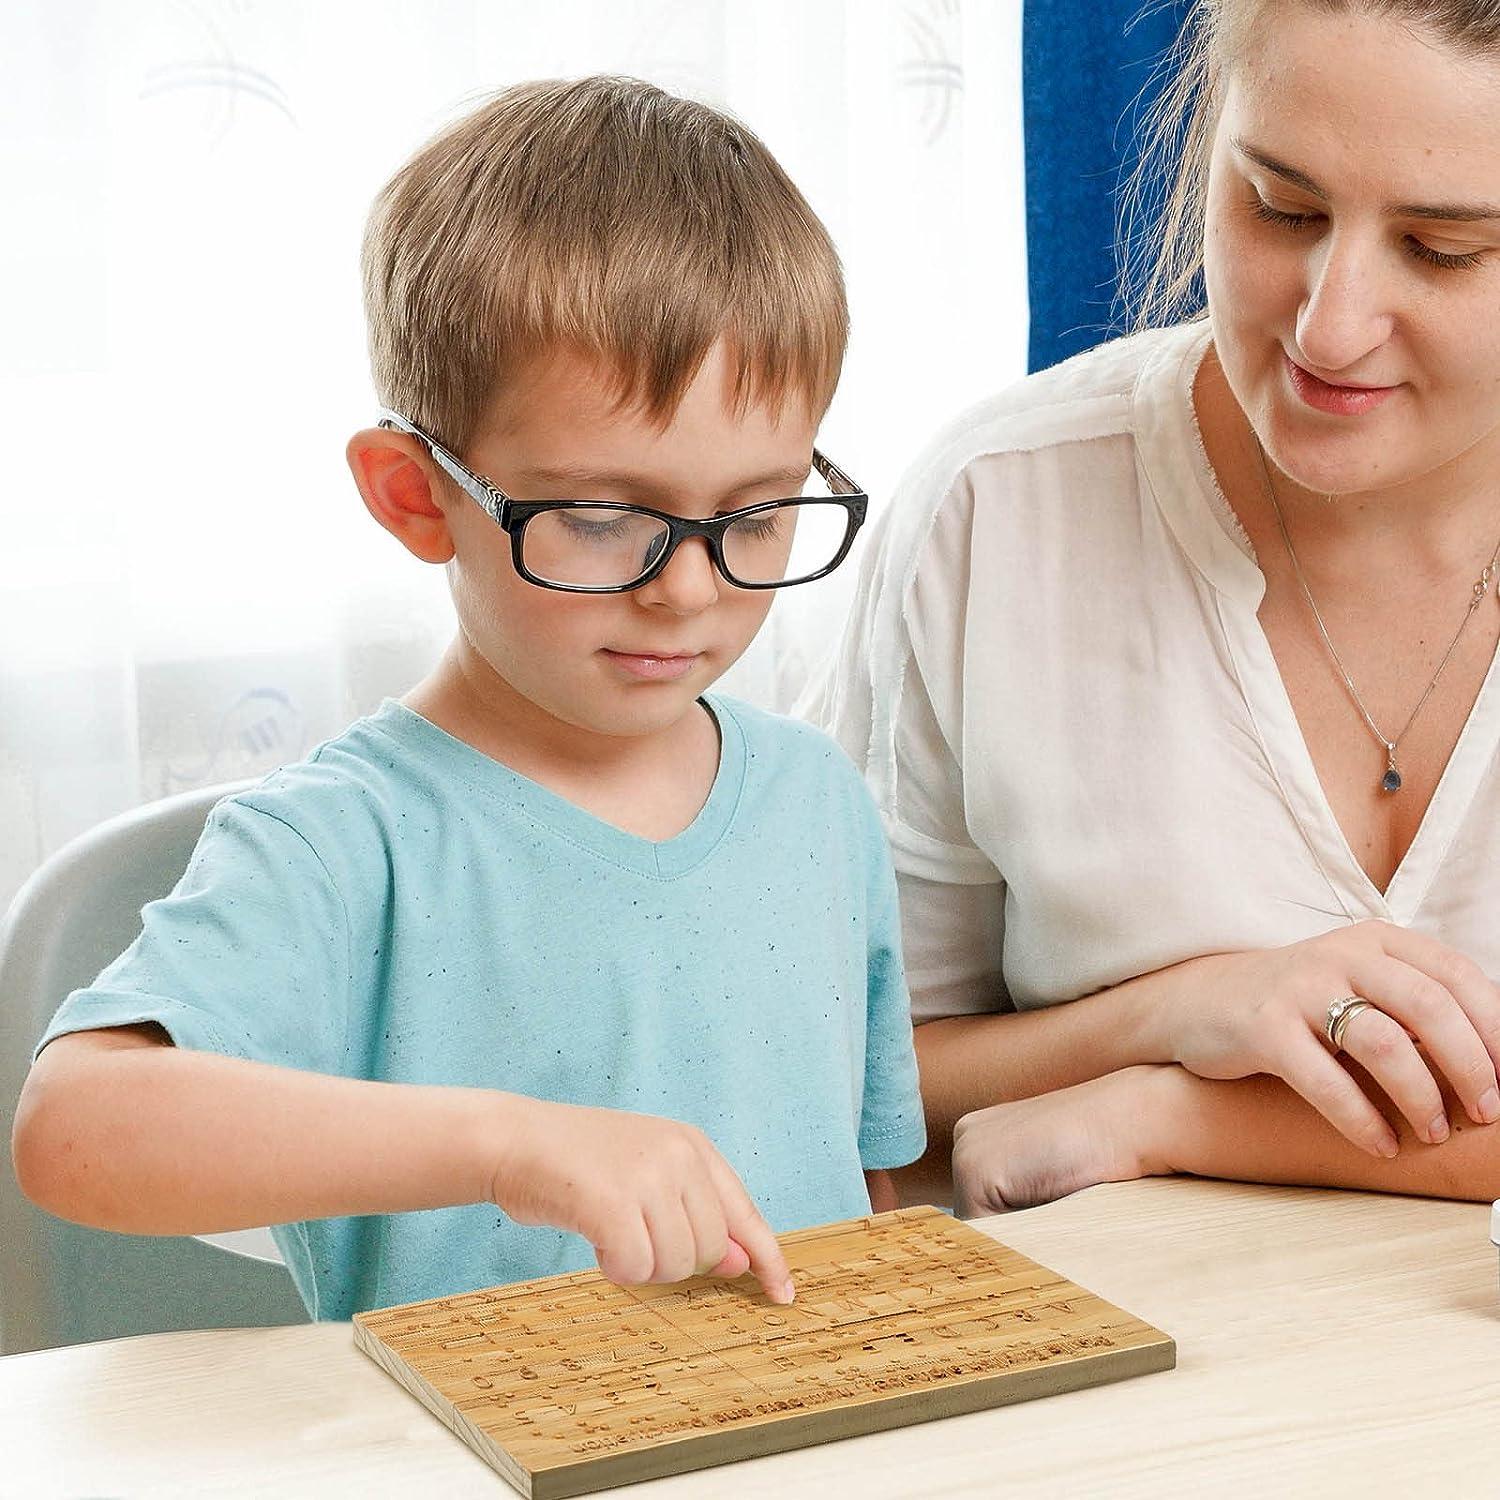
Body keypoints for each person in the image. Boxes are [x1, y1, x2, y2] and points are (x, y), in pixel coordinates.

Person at [12, 77, 925, 1319]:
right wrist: (507, 1145)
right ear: (412, 495)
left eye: (758, 515)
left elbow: (873, 1210)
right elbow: (76, 1129)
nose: (691, 591)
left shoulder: (818, 804)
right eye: (605, 519)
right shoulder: (343, 844)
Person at [805, 0, 1500, 1215]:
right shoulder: (998, 509)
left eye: (1442, 248)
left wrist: (1174, 1112)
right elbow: (824, 1086)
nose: (1329, 328)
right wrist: (1176, 1010)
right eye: (1280, 207)